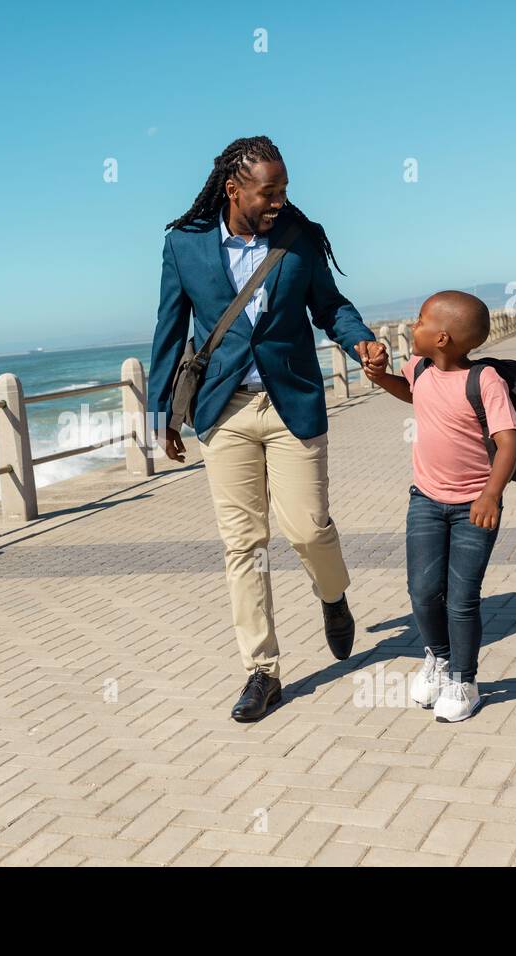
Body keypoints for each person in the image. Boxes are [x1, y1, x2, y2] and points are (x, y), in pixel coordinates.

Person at [147, 135, 387, 722]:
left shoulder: (299, 240)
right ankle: (262, 671)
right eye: (269, 191)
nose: (280, 200)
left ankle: (333, 597)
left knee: (306, 529)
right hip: (223, 411)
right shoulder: (185, 246)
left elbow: (330, 307)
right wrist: (161, 415)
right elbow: (169, 330)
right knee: (243, 544)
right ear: (234, 189)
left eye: (284, 189)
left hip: (291, 406)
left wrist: (361, 343)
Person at [359, 291, 516, 722]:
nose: (413, 326)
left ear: (443, 337)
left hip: (475, 507)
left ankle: (464, 681)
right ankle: (441, 658)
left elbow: (509, 441)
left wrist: (490, 494)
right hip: (426, 502)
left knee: (462, 599)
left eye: (420, 321)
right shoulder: (421, 367)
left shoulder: (485, 381)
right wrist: (380, 378)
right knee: (423, 592)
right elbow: (411, 393)